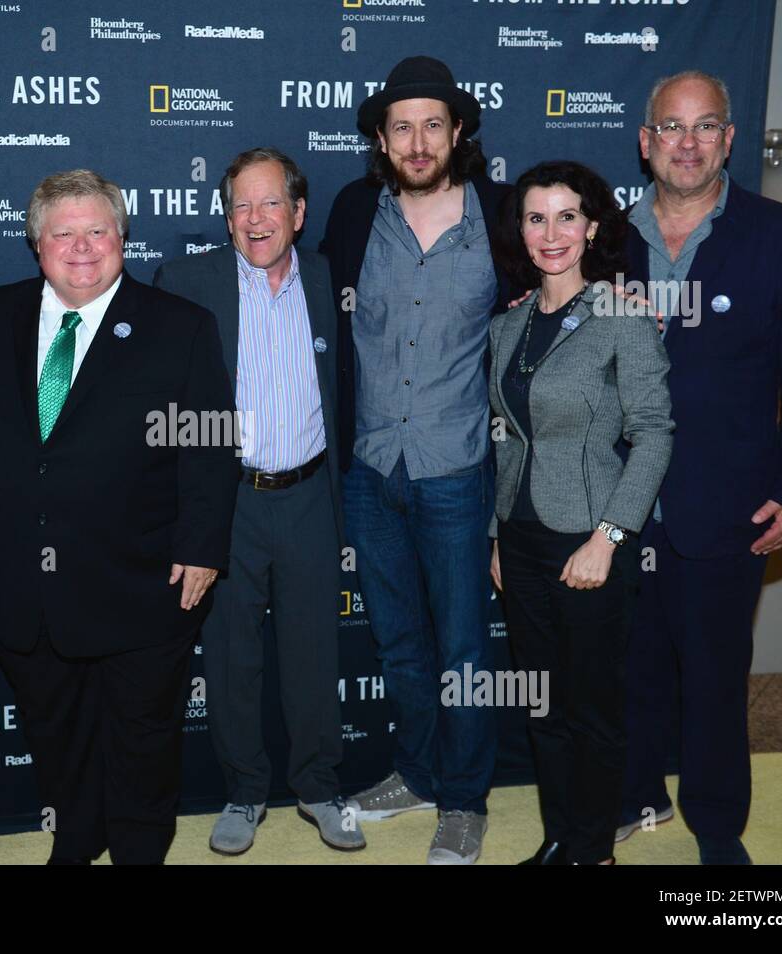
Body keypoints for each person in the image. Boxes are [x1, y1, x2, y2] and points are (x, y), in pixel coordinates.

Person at [0, 169, 238, 865]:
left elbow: (208, 448)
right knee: (58, 732)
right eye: (64, 233)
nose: (81, 247)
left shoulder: (179, 326)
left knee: (143, 736)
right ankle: (77, 840)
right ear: (37, 245)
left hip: (143, 581)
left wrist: (203, 547)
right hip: (29, 586)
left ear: (122, 237)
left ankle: (141, 851)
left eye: (98, 231)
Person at [619, 71, 782, 865]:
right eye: (671, 128)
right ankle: (634, 796)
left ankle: (716, 826)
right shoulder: (604, 240)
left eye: (705, 126)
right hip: (619, 505)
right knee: (629, 668)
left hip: (729, 504)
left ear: (729, 139)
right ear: (645, 142)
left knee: (714, 678)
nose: (687, 143)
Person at [319, 55, 513, 864]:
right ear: (380, 137)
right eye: (402, 125)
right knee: (399, 643)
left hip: (458, 466)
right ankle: (419, 772)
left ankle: (465, 802)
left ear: (458, 131)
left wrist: (627, 291)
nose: (419, 139)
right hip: (371, 468)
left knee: (465, 645)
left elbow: (577, 266)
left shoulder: (501, 213)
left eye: (434, 123)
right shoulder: (356, 212)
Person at [155, 147, 359, 855]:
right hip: (228, 501)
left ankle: (319, 786)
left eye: (271, 202)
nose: (255, 218)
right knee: (231, 655)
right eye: (241, 204)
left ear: (299, 215)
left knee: (314, 651)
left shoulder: (331, 279)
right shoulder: (186, 283)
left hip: (307, 494)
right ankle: (244, 791)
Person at [487, 161, 673, 865]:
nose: (552, 233)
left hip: (591, 537)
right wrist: (497, 535)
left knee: (591, 709)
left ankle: (594, 849)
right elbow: (504, 440)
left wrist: (610, 537)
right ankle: (560, 837)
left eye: (568, 216)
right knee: (544, 705)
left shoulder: (621, 316)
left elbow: (655, 433)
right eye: (537, 218)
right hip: (524, 540)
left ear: (592, 227)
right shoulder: (507, 328)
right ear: (522, 232)